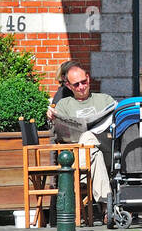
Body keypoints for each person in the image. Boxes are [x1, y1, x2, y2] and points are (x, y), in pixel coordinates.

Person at [47, 63, 114, 212]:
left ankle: (77, 181)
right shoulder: (64, 105)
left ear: (88, 78)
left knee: (89, 136)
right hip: (81, 154)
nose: (82, 87)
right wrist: (52, 119)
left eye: (84, 82)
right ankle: (106, 207)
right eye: (76, 85)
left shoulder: (104, 100)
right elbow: (57, 135)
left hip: (106, 148)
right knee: (95, 155)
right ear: (69, 86)